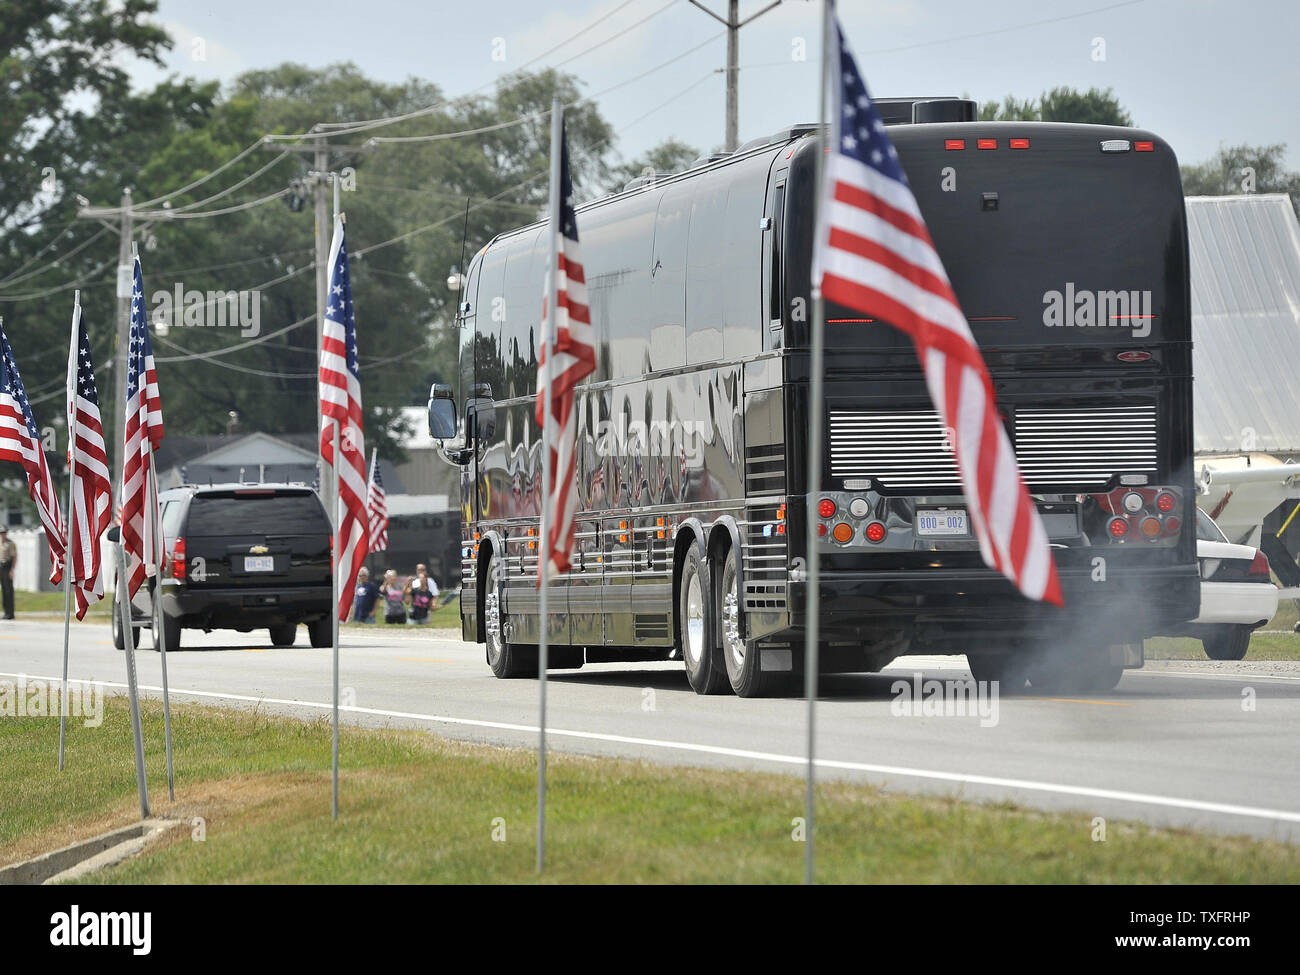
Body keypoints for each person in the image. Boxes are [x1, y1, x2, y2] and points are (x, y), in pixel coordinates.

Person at [0, 528, 14, 620]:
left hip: (7, 567)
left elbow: (14, 557)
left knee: (8, 591)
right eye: (1, 533)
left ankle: (10, 613)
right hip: (0, 567)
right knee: (3, 591)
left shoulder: (10, 544)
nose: (2, 535)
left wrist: (12, 570)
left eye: (4, 533)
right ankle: (5, 612)